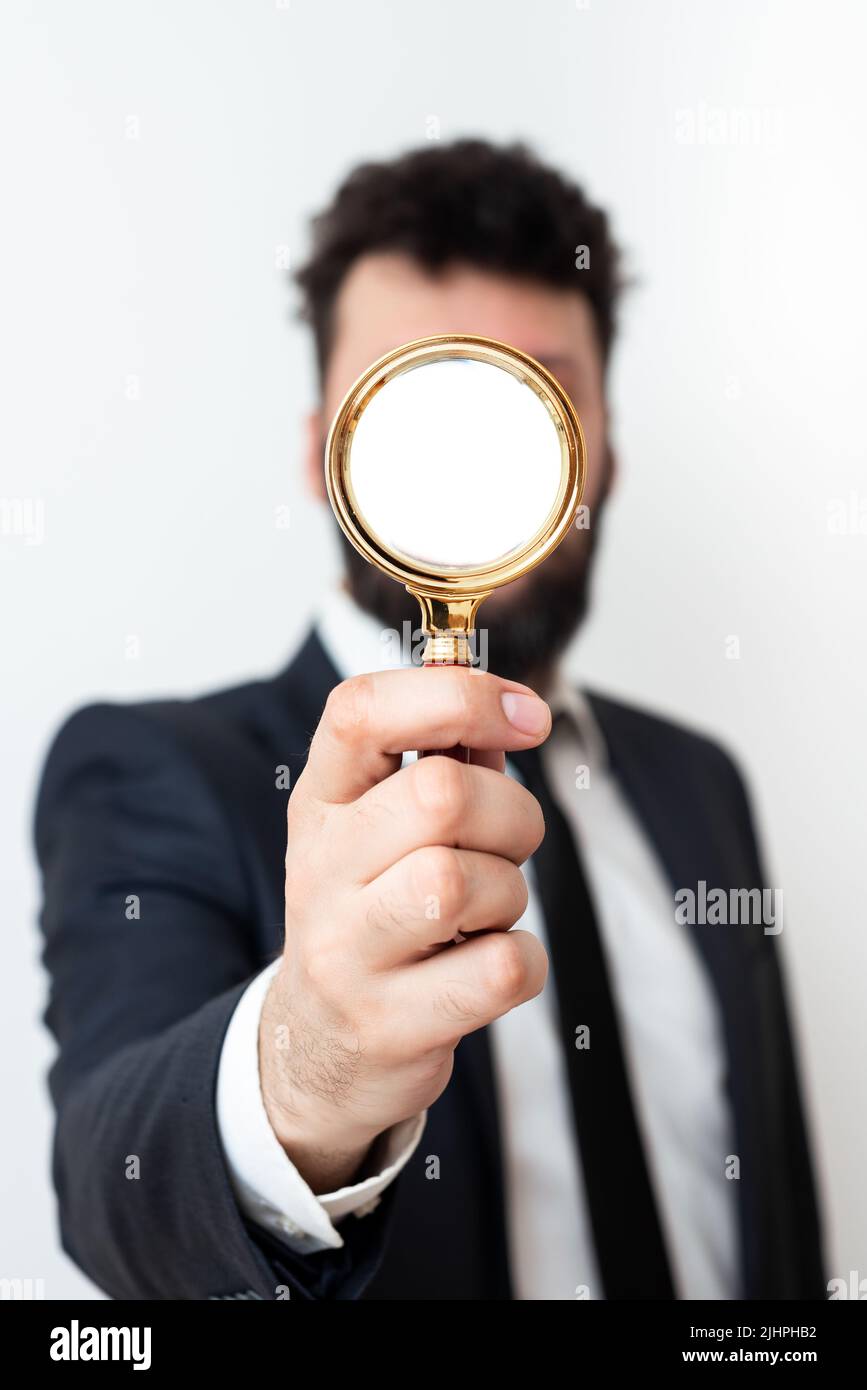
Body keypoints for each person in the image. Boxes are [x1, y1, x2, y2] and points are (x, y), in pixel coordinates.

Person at [34, 139, 824, 1301]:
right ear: (324, 456)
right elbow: (115, 1189)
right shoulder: (152, 771)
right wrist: (305, 1067)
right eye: (417, 403)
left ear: (603, 445)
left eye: (542, 397)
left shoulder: (700, 783)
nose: (475, 464)